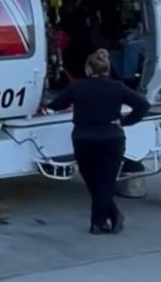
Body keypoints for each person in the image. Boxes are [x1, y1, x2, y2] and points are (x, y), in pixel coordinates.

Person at [45, 49, 151, 234]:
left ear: (88, 68)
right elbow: (143, 105)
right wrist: (124, 121)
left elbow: (57, 104)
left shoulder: (77, 86)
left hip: (83, 138)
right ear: (107, 69)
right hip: (112, 138)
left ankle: (102, 220)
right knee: (106, 181)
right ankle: (104, 220)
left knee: (93, 181)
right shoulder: (117, 87)